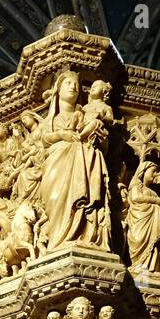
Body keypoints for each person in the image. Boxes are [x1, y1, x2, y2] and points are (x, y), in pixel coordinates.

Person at [35, 71, 109, 251]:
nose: (73, 86)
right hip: (56, 165)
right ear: (58, 89)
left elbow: (101, 138)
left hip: (81, 161)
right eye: (67, 83)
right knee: (55, 199)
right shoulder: (51, 119)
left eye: (76, 84)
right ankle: (57, 239)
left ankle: (82, 231)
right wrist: (62, 135)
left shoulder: (84, 114)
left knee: (83, 149)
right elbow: (44, 139)